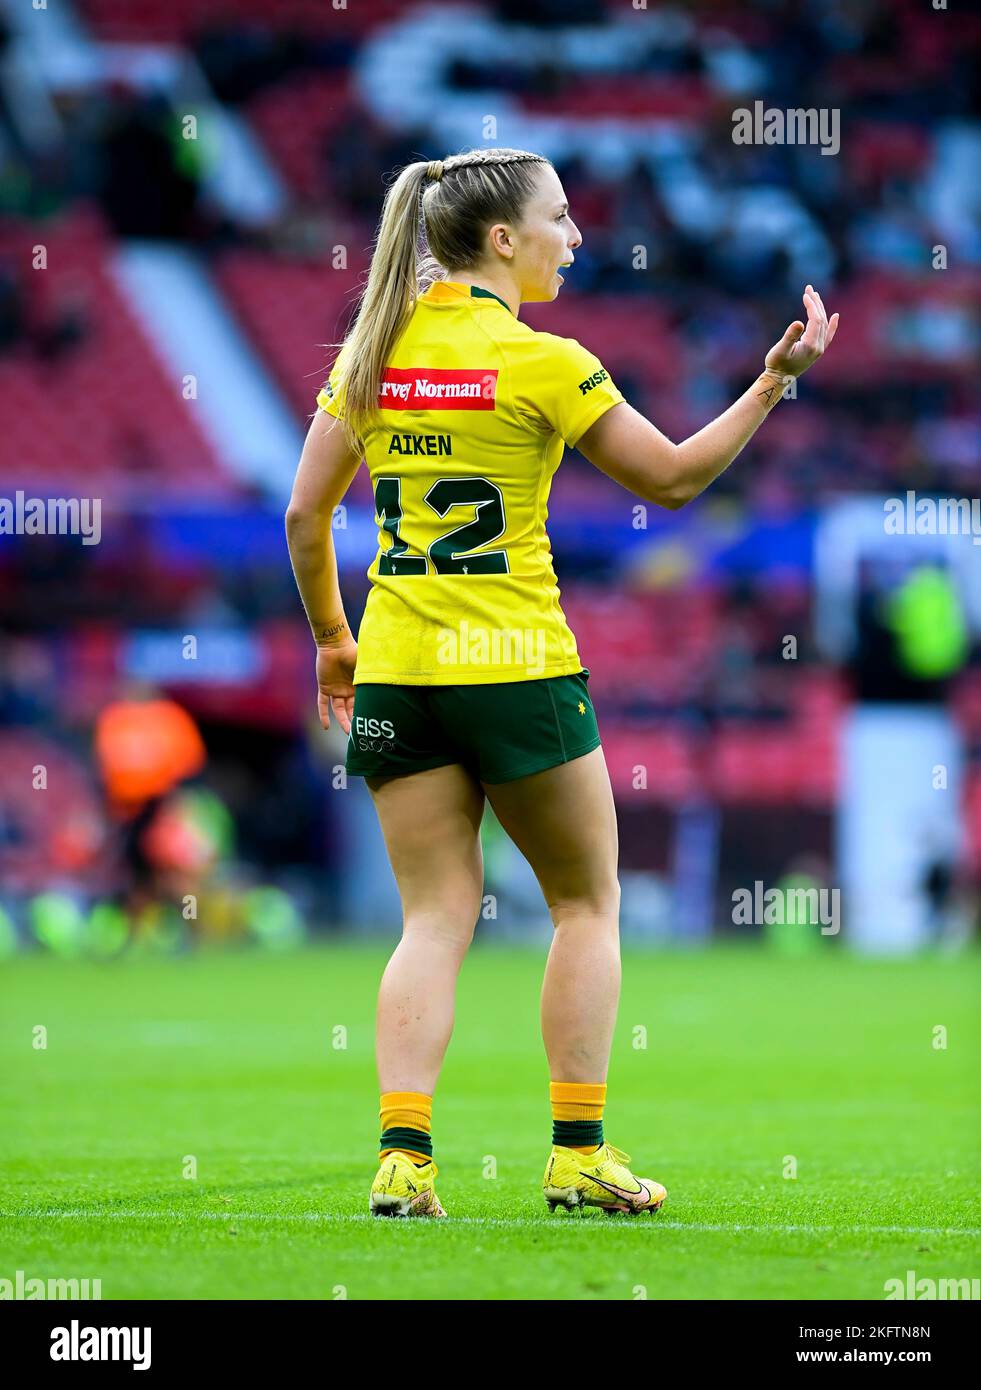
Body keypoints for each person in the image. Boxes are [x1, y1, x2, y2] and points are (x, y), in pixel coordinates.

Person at [285, 147, 838, 1217]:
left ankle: (403, 1161)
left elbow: (307, 516)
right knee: (586, 903)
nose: (575, 240)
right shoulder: (547, 360)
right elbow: (672, 478)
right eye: (560, 220)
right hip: (519, 664)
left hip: (398, 670)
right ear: (503, 240)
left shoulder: (373, 356)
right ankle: (577, 1153)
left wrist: (331, 641)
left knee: (433, 918)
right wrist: (774, 381)